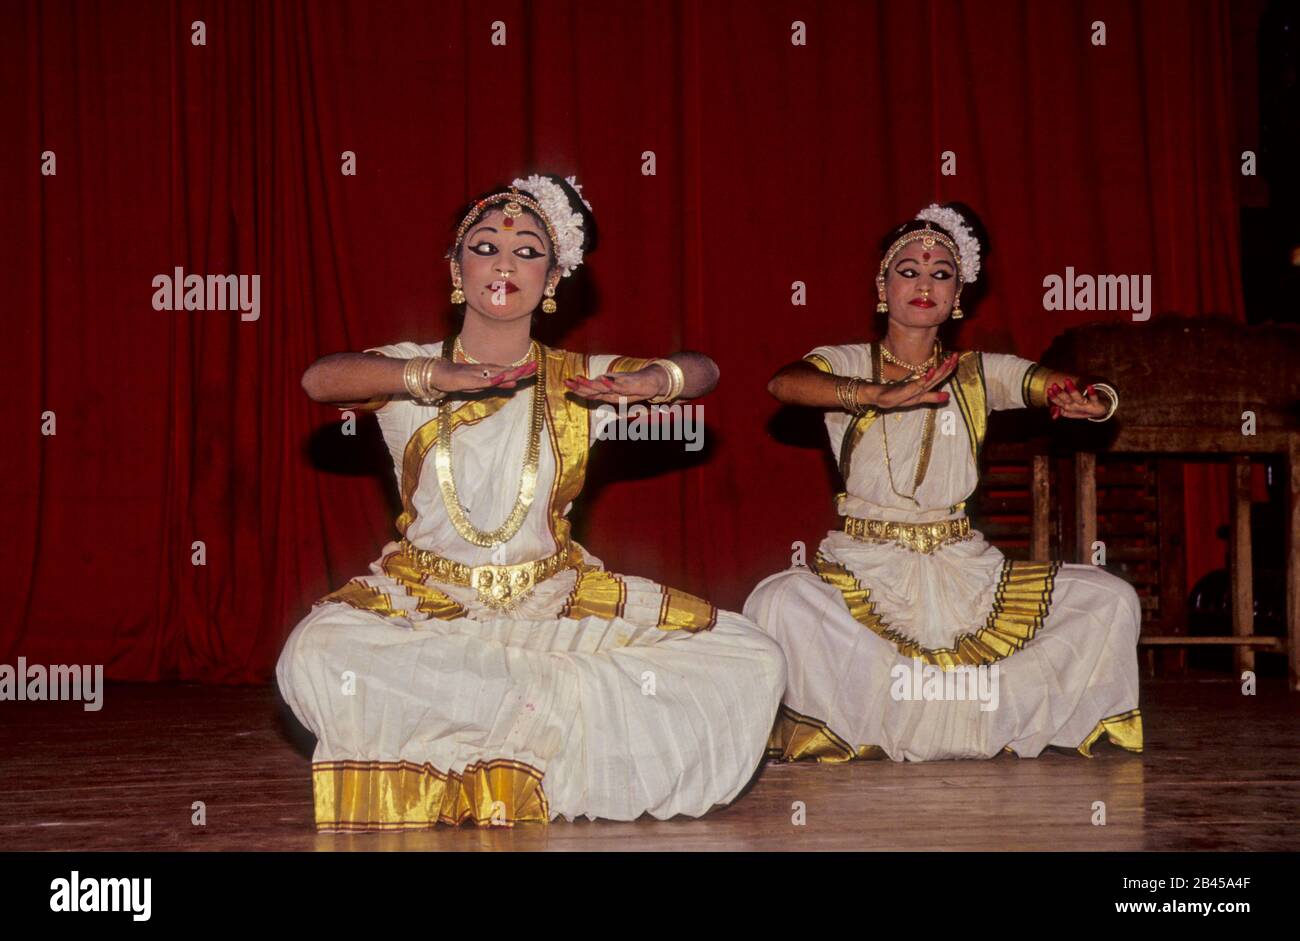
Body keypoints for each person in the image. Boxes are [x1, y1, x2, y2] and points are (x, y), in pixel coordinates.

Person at [277, 173, 786, 829]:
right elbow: (320, 379)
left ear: (551, 281)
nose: (504, 263)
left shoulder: (575, 379)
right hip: (429, 601)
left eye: (527, 253)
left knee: (752, 657)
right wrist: (431, 377)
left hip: (552, 598)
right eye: (485, 246)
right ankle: (540, 723)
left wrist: (659, 379)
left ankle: (502, 728)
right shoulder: (408, 368)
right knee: (314, 655)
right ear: (455, 268)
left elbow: (706, 369)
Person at [744, 202, 1142, 762]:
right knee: (779, 601)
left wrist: (1088, 398)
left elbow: (1047, 382)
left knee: (1111, 599)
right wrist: (874, 395)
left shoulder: (976, 373)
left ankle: (951, 717)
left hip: (963, 569)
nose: (924, 284)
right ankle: (882, 716)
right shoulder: (846, 361)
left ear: (959, 296)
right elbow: (784, 383)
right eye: (908, 271)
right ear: (882, 286)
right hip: (867, 564)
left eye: (941, 274)